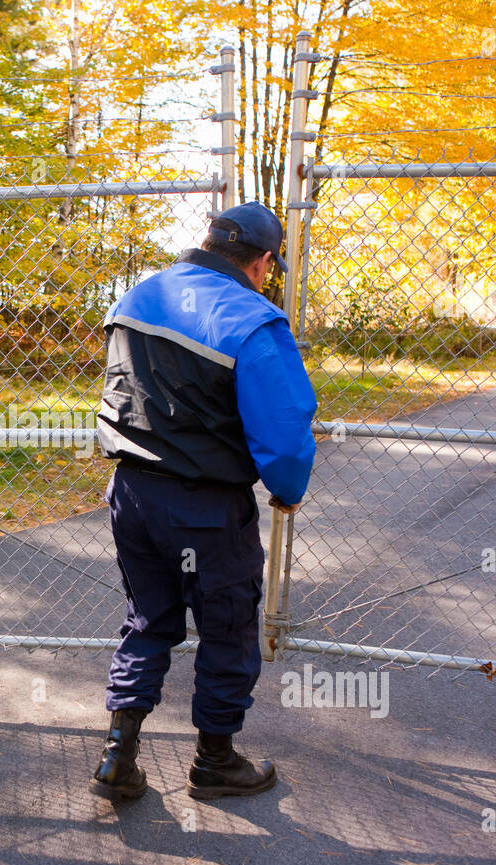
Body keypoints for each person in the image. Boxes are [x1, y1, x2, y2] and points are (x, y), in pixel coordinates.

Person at [89, 200, 317, 801]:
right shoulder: (253, 319)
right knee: (228, 627)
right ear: (264, 262)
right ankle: (215, 762)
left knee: (148, 620)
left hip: (131, 493)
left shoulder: (138, 297)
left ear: (210, 242)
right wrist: (287, 492)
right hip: (205, 509)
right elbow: (285, 431)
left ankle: (118, 756)